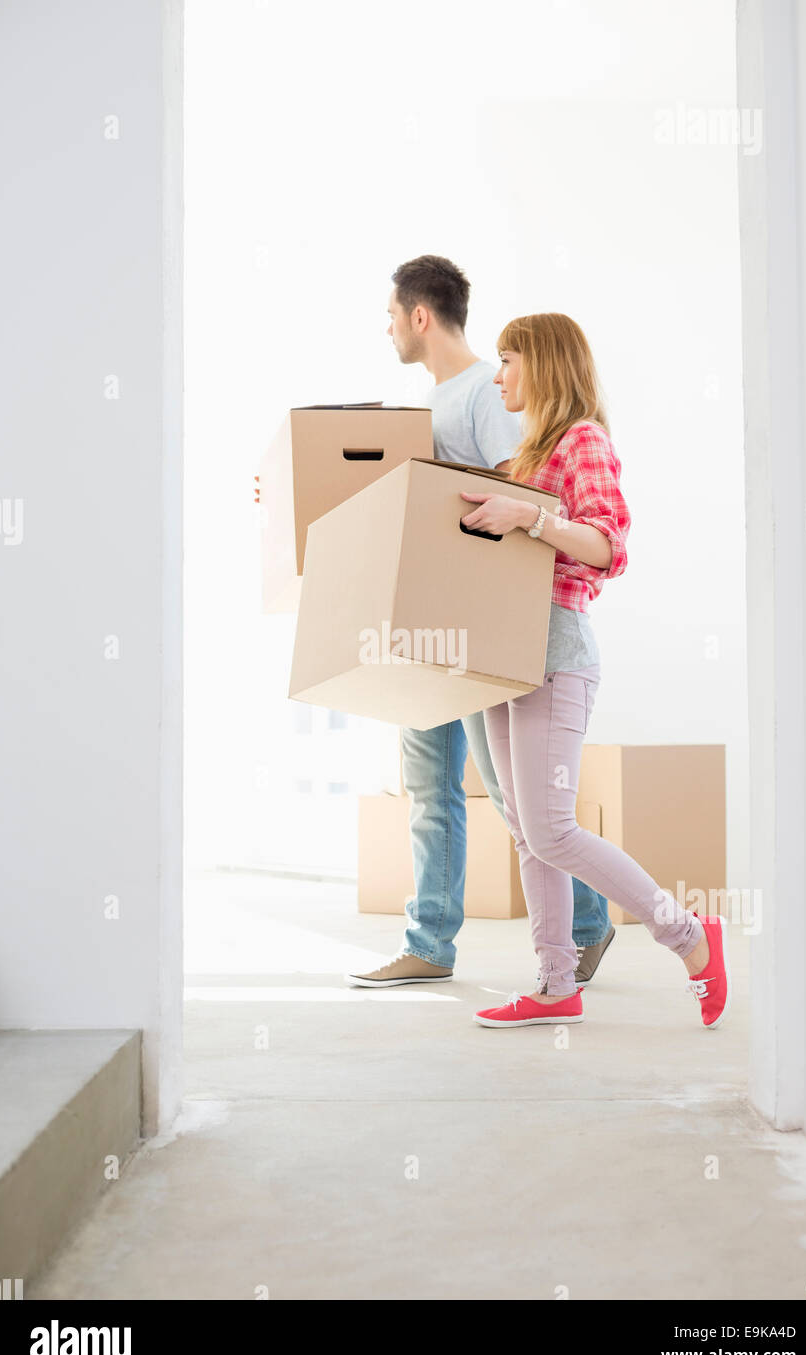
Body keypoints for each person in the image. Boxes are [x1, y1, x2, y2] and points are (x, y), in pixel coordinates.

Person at [454, 312, 730, 1030]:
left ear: (542, 364)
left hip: (555, 651)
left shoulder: (582, 441)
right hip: (503, 655)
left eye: (508, 360)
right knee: (526, 830)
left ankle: (690, 937)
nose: (497, 374)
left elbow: (610, 546)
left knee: (551, 829)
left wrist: (531, 519)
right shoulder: (524, 456)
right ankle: (554, 985)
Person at [344, 259, 614, 990]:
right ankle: (430, 942)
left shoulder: (484, 397)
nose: (388, 327)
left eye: (392, 314)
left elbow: (519, 499)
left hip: (481, 627)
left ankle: (587, 925)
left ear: (420, 316)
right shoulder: (432, 404)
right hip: (427, 620)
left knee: (509, 795)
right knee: (430, 783)